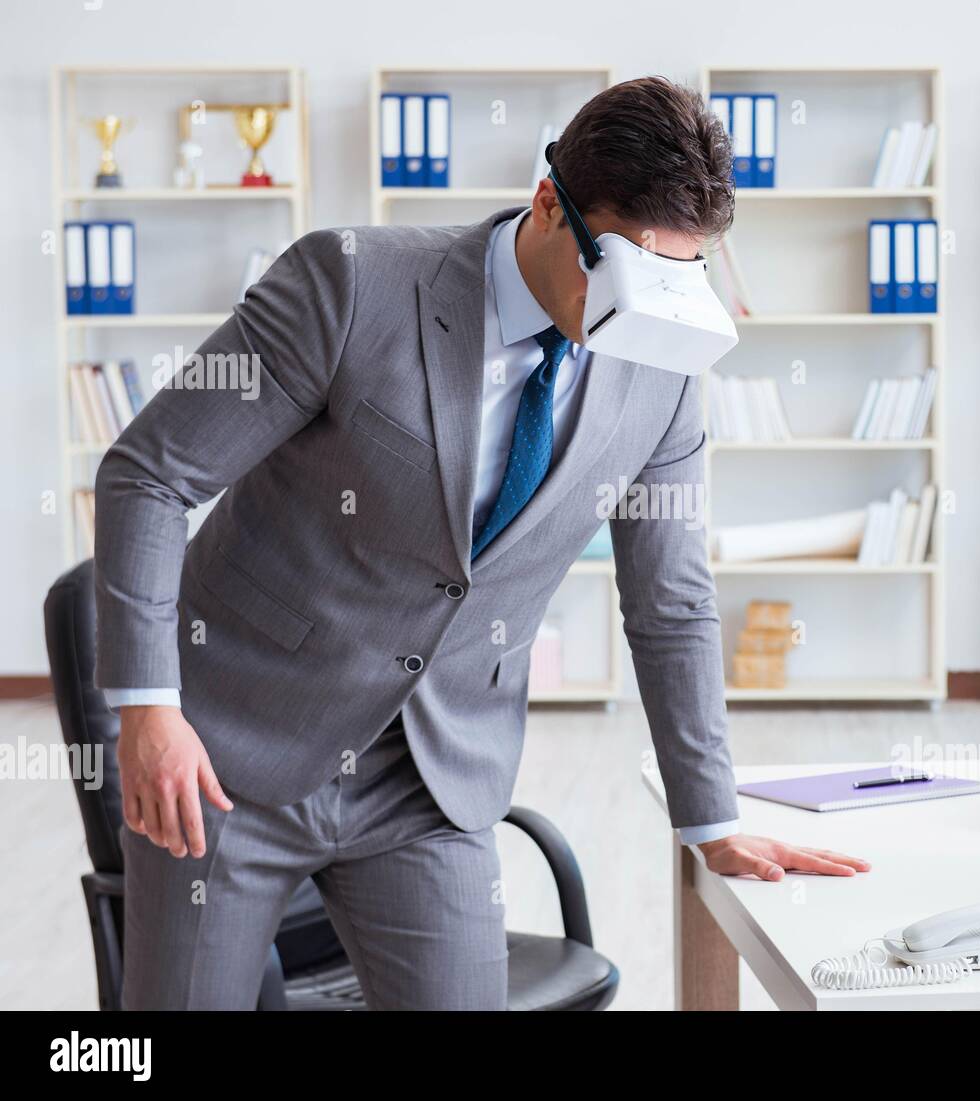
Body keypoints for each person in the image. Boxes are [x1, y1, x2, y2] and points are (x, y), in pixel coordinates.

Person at [95, 75, 869, 1010]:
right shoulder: (350, 285)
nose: (644, 314)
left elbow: (670, 602)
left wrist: (711, 819)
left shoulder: (662, 373)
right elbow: (149, 473)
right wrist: (147, 709)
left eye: (678, 278)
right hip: (230, 756)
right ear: (551, 205)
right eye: (625, 273)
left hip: (429, 781)